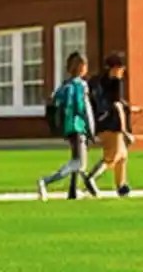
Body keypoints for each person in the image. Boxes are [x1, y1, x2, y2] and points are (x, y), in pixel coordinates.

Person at [38, 51, 98, 201]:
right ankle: (45, 181)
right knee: (79, 163)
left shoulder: (65, 85)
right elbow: (82, 108)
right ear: (81, 67)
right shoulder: (81, 85)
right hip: (79, 126)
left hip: (69, 126)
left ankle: (73, 191)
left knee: (77, 160)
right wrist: (91, 129)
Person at [86, 52, 135, 197]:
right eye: (121, 67)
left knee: (123, 155)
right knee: (112, 156)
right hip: (112, 123)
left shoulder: (97, 81)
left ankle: (121, 186)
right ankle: (92, 177)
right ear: (114, 68)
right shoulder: (115, 82)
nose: (123, 70)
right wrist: (125, 131)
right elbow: (117, 106)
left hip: (100, 122)